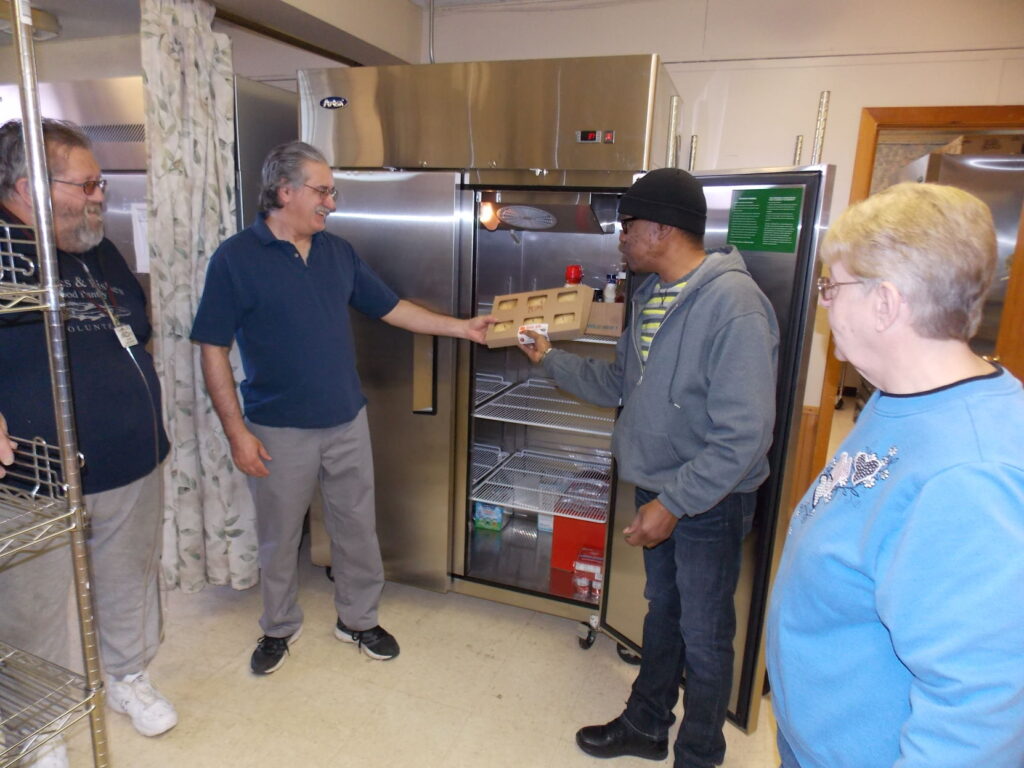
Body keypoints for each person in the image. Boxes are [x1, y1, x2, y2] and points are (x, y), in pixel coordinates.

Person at [191, 140, 494, 676]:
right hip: (277, 426)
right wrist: (237, 431)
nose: (331, 202)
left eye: (333, 191)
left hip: (346, 418)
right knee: (279, 536)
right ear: (285, 192)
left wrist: (462, 328)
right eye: (323, 190)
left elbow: (393, 308)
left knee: (356, 526)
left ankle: (357, 619)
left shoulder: (338, 252)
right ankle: (278, 626)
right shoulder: (236, 258)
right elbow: (211, 346)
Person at [518, 168, 779, 768]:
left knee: (707, 636)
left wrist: (673, 504)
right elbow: (620, 383)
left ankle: (699, 754)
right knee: (665, 612)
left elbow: (743, 434)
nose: (621, 237)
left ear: (662, 229)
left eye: (629, 225)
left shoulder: (735, 305)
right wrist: (551, 359)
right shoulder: (649, 295)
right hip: (659, 485)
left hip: (709, 500)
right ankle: (647, 723)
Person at [766, 182, 1024, 767]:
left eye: (833, 286)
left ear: (885, 302)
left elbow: (981, 715)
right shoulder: (899, 398)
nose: (825, 303)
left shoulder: (971, 477)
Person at [0, 119, 178, 753]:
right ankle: (36, 725)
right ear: (30, 187)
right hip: (35, 478)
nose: (101, 195)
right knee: (34, 609)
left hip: (131, 460)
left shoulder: (94, 245)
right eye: (88, 183)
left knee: (127, 582)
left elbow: (137, 324)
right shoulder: (1, 251)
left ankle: (127, 676)